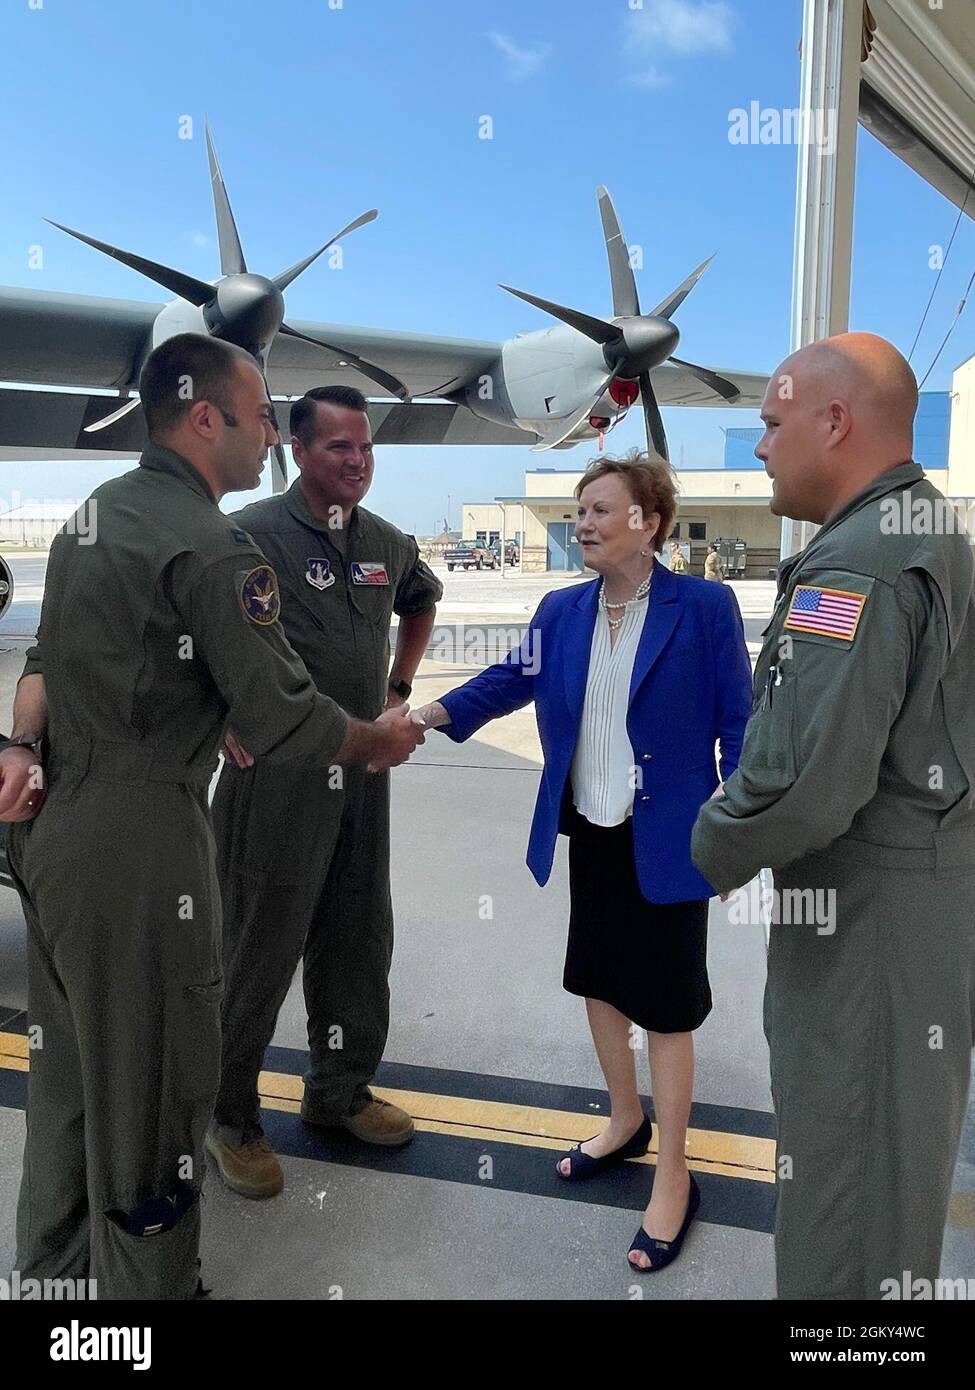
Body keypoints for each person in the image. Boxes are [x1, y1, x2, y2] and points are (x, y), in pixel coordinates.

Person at [0, 334, 422, 1299]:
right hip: (142, 843)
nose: (270, 430)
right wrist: (375, 739)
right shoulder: (212, 544)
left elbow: (45, 667)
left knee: (71, 1084)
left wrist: (20, 749)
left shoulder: (94, 516)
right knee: (153, 1092)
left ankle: (60, 1288)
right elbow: (285, 714)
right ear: (205, 418)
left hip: (57, 831)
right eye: (262, 414)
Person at [413, 451, 752, 1271]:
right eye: (580, 509)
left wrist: (737, 825)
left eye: (601, 509)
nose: (583, 523)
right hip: (593, 832)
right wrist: (426, 711)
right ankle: (624, 1120)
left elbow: (738, 722)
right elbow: (509, 680)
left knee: (668, 1010)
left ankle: (674, 1173)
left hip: (669, 838)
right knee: (599, 984)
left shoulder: (702, 608)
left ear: (649, 522)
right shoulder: (562, 610)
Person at [692, 332, 975, 1300]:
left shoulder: (856, 563)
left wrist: (699, 847)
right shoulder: (928, 528)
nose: (762, 446)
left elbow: (808, 782)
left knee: (846, 1200)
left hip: (868, 930)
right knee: (893, 1183)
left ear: (835, 421)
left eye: (773, 424)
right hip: (923, 910)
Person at [206, 385, 442, 1199]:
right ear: (297, 450)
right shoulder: (248, 534)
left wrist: (397, 687)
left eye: (366, 448)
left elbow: (421, 600)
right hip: (274, 780)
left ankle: (338, 1094)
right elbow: (191, 633)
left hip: (361, 775)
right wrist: (223, 714)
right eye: (338, 447)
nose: (357, 462)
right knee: (255, 951)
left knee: (355, 937)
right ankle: (229, 1116)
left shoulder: (385, 541)